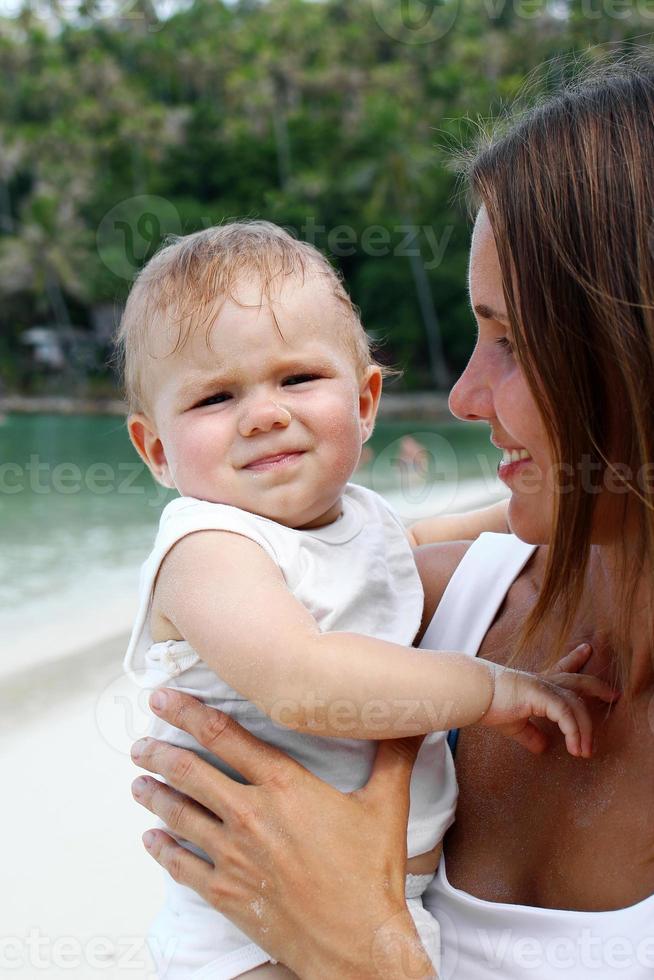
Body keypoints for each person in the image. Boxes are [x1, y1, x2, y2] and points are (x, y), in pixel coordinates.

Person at [127, 61, 654, 977]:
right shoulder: (449, 602)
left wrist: (368, 959)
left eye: (513, 341)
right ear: (155, 449)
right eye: (216, 397)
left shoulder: (414, 580)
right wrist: (495, 687)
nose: (459, 397)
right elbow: (317, 632)